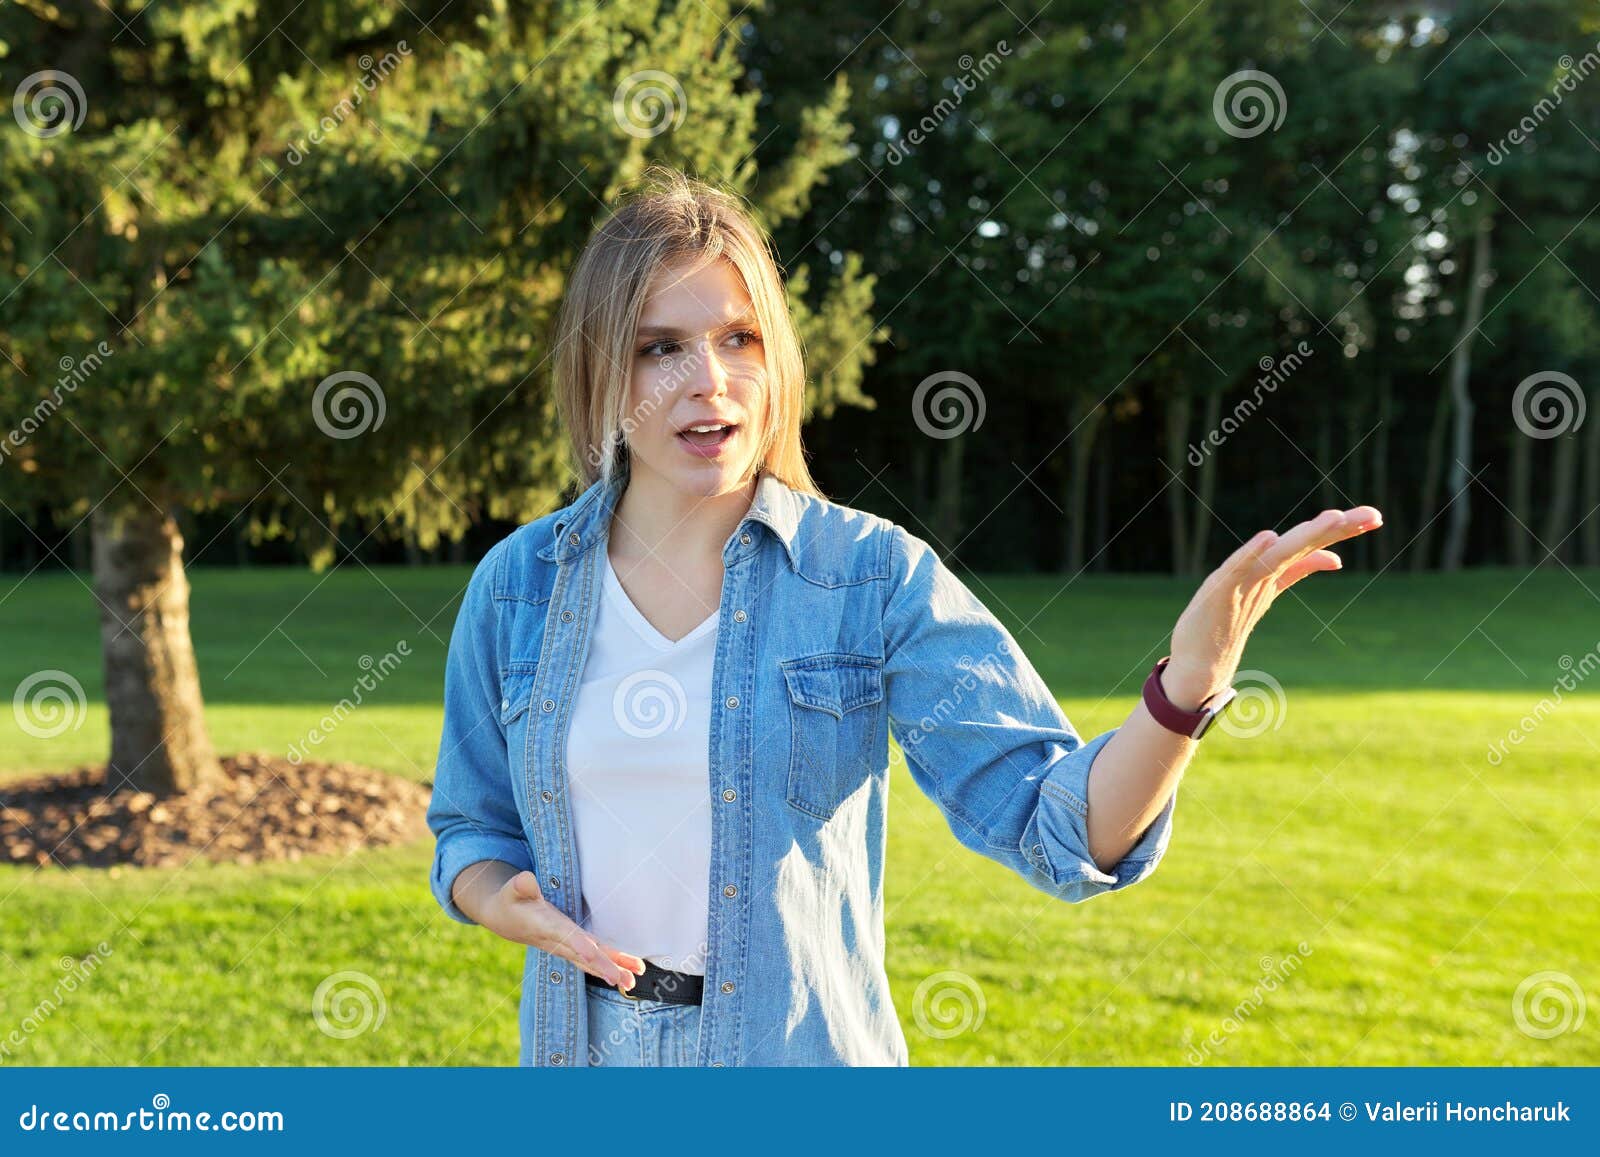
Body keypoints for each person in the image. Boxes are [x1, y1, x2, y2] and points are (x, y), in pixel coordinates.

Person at [424, 166, 1382, 1067]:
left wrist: (1188, 686)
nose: (708, 379)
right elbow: (472, 823)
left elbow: (1061, 828)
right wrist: (492, 895)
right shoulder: (517, 587)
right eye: (659, 347)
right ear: (602, 370)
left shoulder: (872, 577)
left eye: (739, 338)